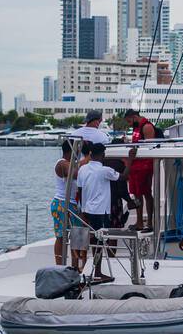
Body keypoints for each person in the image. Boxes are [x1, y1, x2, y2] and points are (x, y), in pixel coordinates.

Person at [76, 142, 122, 281]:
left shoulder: (82, 169)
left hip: (87, 210)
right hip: (100, 212)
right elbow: (123, 177)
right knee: (99, 241)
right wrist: (130, 159)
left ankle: (82, 267)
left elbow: (80, 190)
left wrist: (82, 210)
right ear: (103, 155)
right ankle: (97, 272)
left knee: (92, 239)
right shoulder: (105, 170)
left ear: (90, 154)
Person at [124, 108, 158, 231]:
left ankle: (149, 222)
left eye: (129, 121)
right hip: (136, 165)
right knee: (137, 194)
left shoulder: (146, 127)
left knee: (146, 193)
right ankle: (139, 222)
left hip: (144, 166)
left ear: (134, 117)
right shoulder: (137, 127)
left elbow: (149, 148)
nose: (129, 124)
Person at [51, 141, 81, 266]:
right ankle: (59, 265)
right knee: (61, 236)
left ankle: (75, 266)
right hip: (62, 203)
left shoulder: (73, 164)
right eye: (78, 150)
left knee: (77, 236)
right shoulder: (62, 163)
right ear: (71, 150)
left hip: (73, 204)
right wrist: (88, 161)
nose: (79, 153)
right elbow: (74, 174)